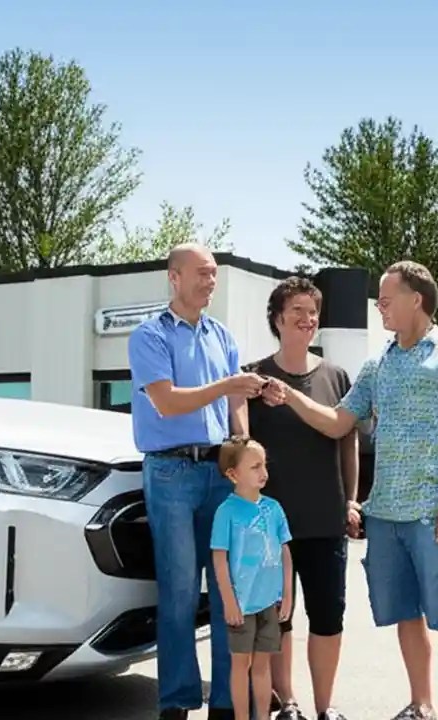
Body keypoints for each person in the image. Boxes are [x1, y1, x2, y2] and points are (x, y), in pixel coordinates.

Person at [259, 260, 438, 720]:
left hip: (435, 512)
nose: (379, 306)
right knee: (406, 615)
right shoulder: (377, 364)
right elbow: (338, 422)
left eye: (386, 298)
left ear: (415, 299)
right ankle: (421, 704)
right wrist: (292, 395)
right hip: (385, 514)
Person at [127, 243, 268, 720]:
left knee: (229, 588)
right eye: (202, 273)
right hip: (170, 474)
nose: (211, 281)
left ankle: (226, 702)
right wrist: (228, 386)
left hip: (220, 473)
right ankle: (177, 701)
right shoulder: (148, 336)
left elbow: (236, 401)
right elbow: (166, 402)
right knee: (180, 592)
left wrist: (244, 446)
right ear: (174, 277)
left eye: (214, 274)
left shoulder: (221, 335)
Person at [243, 277, 359, 720]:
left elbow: (347, 441)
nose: (308, 319)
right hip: (271, 526)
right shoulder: (254, 378)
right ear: (277, 319)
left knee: (328, 616)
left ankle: (326, 706)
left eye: (313, 312)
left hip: (325, 518)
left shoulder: (336, 376)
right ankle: (287, 701)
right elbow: (242, 445)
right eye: (297, 311)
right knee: (279, 617)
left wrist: (350, 500)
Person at [210, 435, 295, 720]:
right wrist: (229, 601)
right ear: (233, 474)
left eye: (264, 465)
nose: (264, 472)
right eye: (255, 467)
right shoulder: (226, 512)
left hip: (269, 602)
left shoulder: (274, 508)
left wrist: (287, 595)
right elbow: (219, 559)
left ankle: (263, 716)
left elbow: (285, 552)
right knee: (240, 665)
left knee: (262, 665)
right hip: (242, 605)